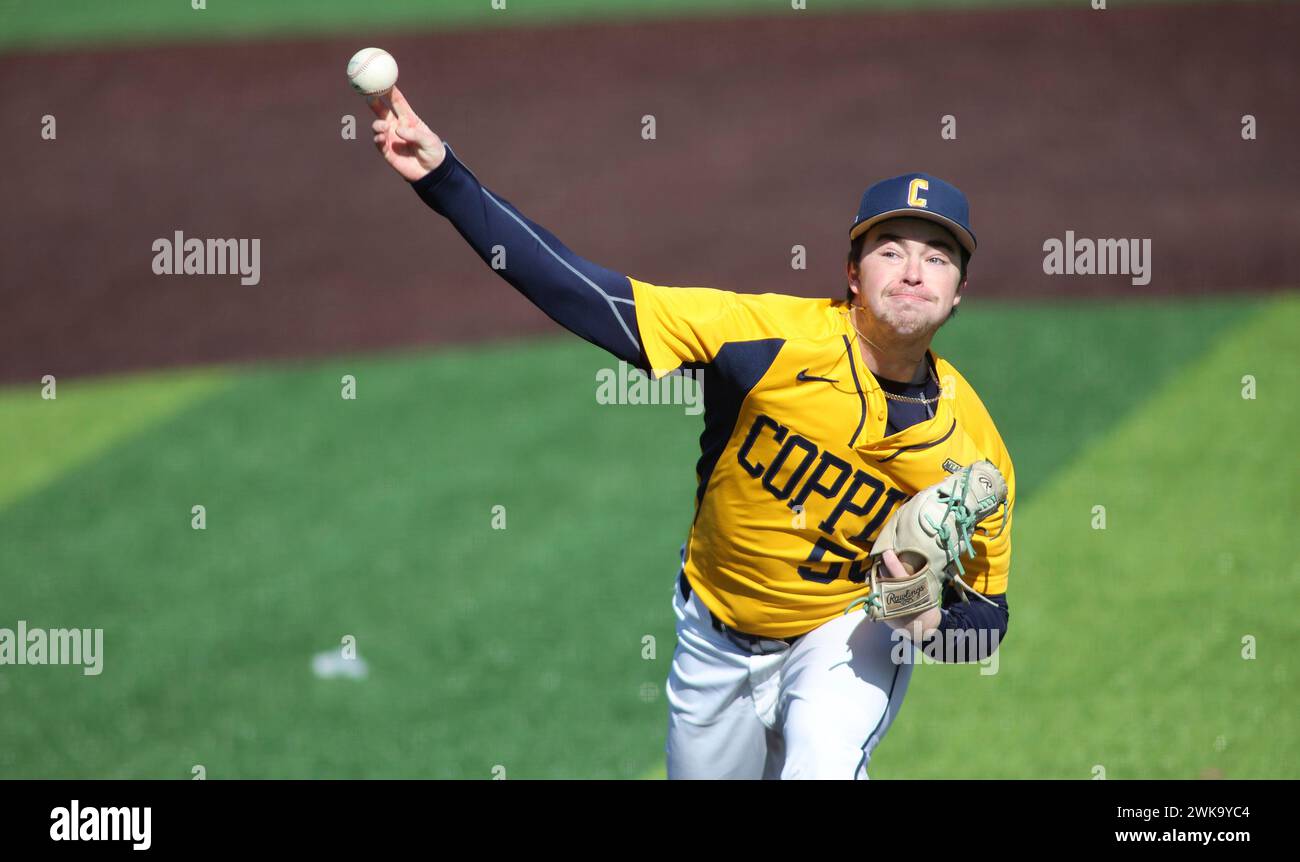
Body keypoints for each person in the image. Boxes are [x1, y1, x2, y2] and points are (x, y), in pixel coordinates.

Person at [366, 86, 1015, 780]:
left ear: (958, 293)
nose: (915, 271)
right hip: (713, 632)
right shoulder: (765, 341)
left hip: (846, 635)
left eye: (939, 258)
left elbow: (988, 617)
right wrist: (444, 178)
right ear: (852, 274)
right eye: (892, 250)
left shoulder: (972, 453)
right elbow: (589, 294)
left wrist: (928, 630)